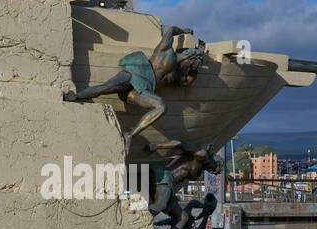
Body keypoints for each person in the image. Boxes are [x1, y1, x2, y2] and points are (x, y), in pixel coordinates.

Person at [63, 23, 209, 155]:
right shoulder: (165, 51)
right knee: (107, 87)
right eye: (193, 67)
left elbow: (187, 82)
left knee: (161, 106)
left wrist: (200, 57)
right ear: (190, 58)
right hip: (136, 73)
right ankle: (77, 96)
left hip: (140, 91)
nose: (191, 70)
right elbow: (170, 30)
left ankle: (130, 135)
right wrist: (183, 31)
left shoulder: (177, 75)